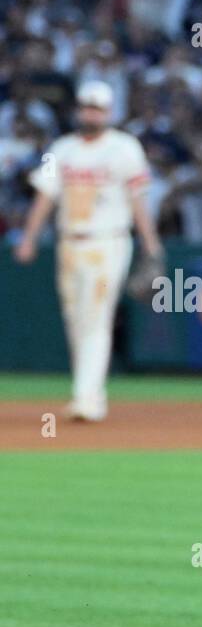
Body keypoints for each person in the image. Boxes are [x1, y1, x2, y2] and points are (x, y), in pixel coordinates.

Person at [13, 80, 164, 422]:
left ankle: (88, 399)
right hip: (69, 242)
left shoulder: (124, 147)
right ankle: (86, 393)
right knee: (75, 319)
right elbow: (45, 197)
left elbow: (137, 201)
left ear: (109, 112)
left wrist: (151, 244)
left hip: (108, 240)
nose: (90, 113)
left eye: (97, 108)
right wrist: (29, 239)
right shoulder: (61, 148)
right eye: (86, 106)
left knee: (96, 317)